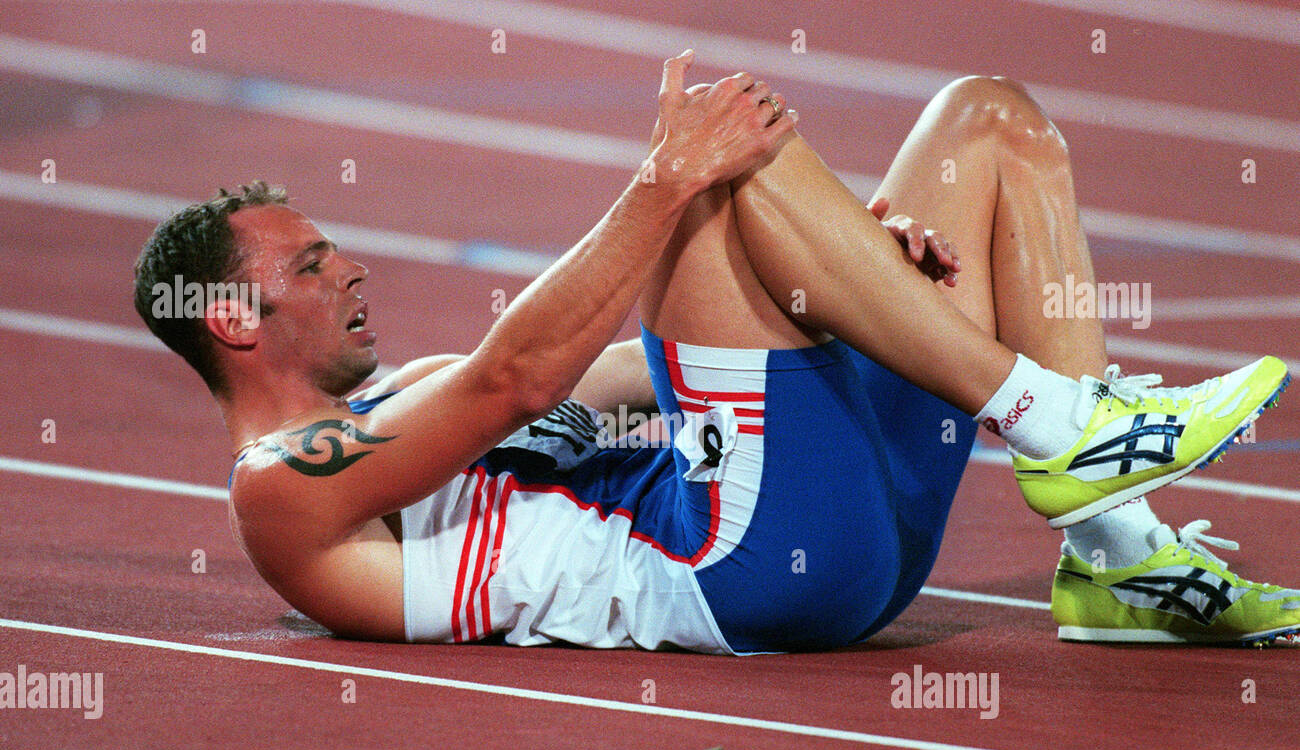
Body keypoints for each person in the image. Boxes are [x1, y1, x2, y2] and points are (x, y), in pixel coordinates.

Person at [133, 52, 1297, 653]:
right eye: (312, 264)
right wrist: (664, 178)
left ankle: (1115, 557)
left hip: (832, 509)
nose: (350, 271)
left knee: (989, 122)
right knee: (709, 176)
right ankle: (1064, 425)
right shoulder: (279, 492)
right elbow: (520, 376)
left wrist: (853, 274)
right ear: (231, 319)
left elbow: (642, 365)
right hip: (741, 565)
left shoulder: (412, 387)